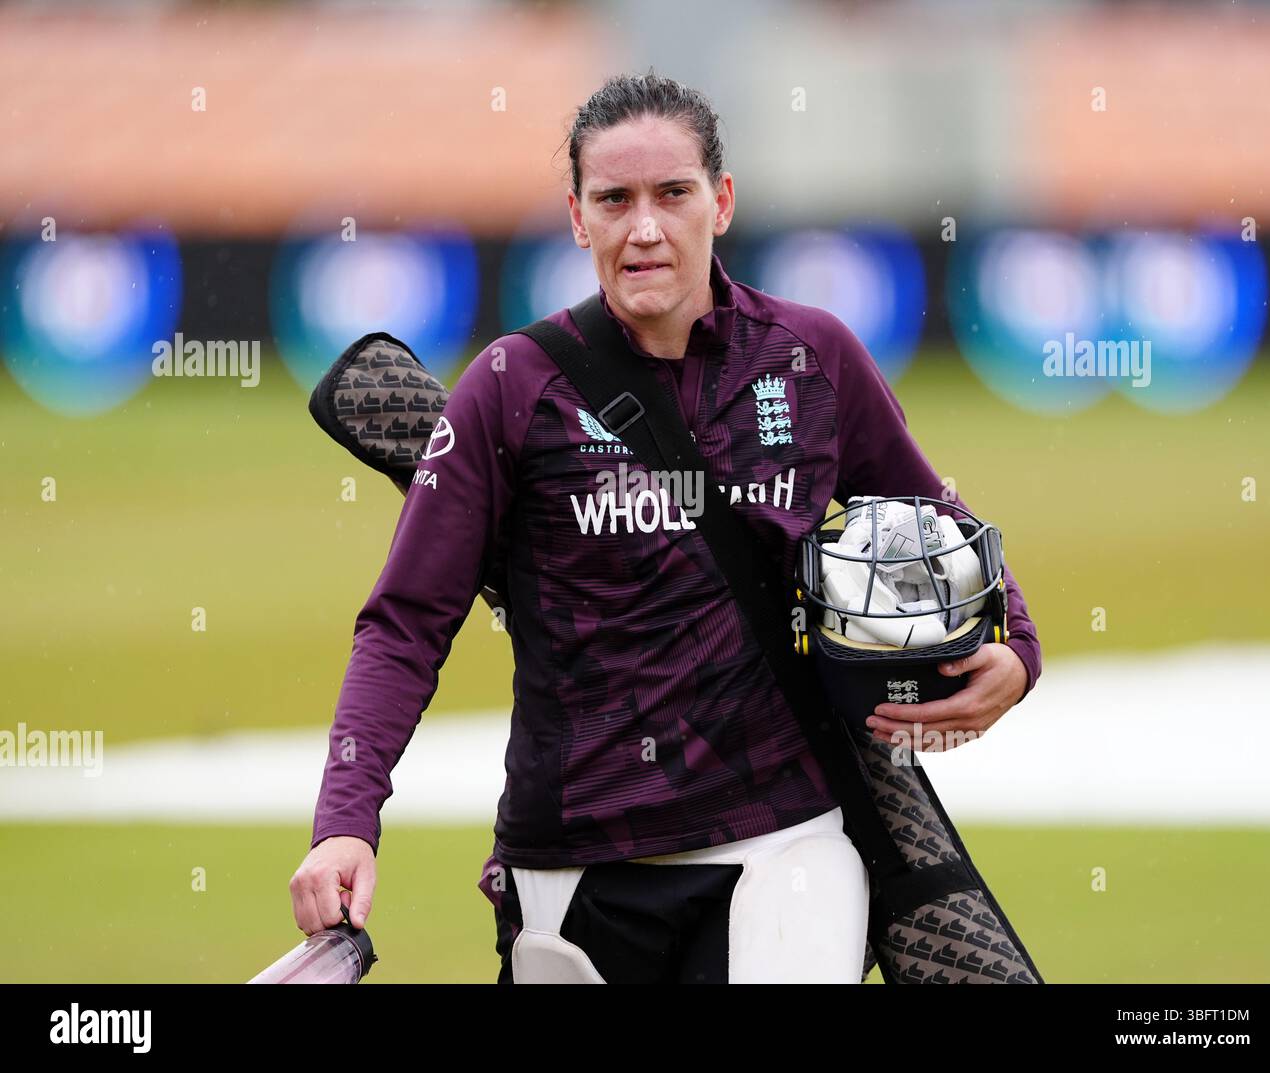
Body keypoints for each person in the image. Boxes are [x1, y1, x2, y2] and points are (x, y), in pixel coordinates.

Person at [289, 70, 1042, 983]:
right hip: (569, 864)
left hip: (785, 842)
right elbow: (406, 623)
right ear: (577, 216)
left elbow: (940, 527)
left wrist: (1017, 649)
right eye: (614, 199)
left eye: (672, 194)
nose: (644, 227)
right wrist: (344, 822)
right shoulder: (509, 386)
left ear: (720, 202)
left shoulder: (812, 358)